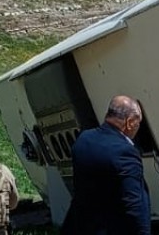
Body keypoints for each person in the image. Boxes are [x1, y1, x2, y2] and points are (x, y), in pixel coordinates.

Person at [62, 95, 151, 235]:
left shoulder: (84, 140)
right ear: (130, 122)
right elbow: (134, 205)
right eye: (138, 122)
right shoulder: (125, 152)